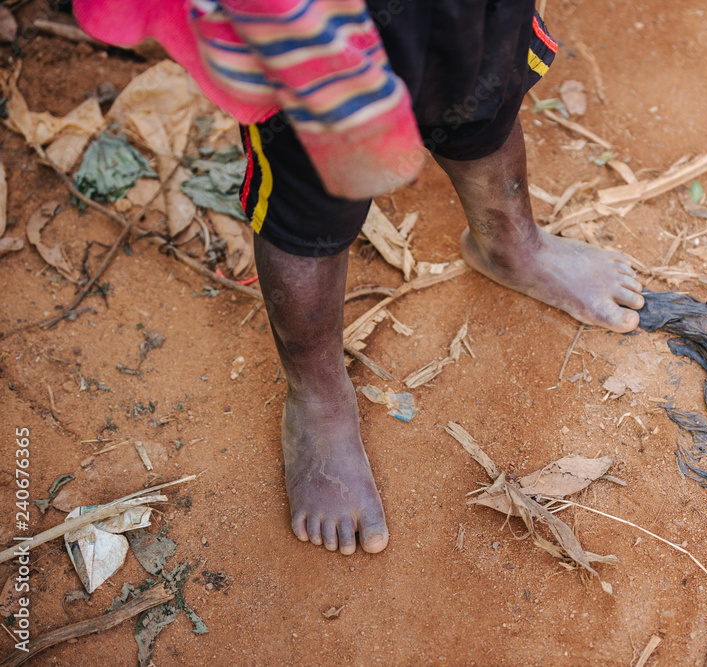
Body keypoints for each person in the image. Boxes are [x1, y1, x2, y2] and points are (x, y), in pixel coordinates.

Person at [75, 0, 646, 555]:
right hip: (307, 24)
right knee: (310, 193)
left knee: (480, 90)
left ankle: (511, 246)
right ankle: (318, 397)